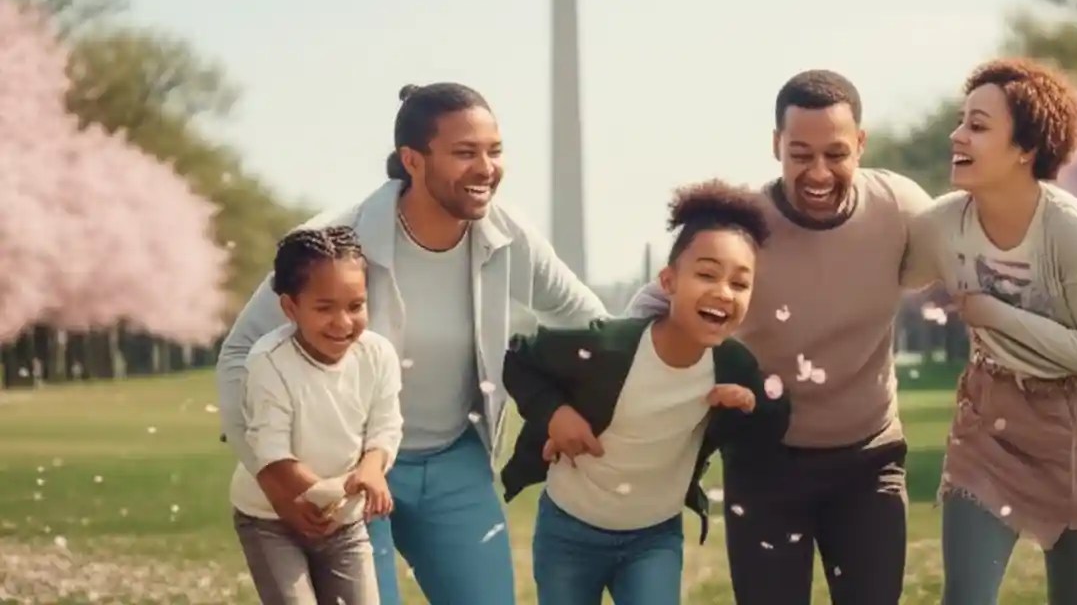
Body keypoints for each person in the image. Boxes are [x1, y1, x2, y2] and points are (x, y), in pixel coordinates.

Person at [216, 82, 609, 605]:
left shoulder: (508, 237)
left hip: (454, 460)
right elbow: (239, 353)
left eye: (494, 151)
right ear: (413, 160)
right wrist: (275, 477)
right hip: (350, 468)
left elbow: (592, 325)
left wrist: (571, 400)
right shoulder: (336, 242)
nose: (486, 168)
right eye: (465, 153)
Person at [626, 70, 934, 604]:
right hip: (765, 463)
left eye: (836, 154)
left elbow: (973, 257)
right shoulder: (744, 229)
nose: (819, 172)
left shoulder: (900, 206)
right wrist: (608, 371)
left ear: (861, 143)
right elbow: (654, 303)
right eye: (800, 154)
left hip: (869, 459)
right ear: (776, 146)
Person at [902, 58, 1077, 605]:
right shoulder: (943, 224)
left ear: (1026, 149)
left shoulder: (1069, 227)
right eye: (961, 121)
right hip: (991, 420)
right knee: (965, 597)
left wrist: (994, 313)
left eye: (978, 126)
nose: (956, 135)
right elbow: (881, 277)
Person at [503, 180, 791, 605]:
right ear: (669, 281)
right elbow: (518, 358)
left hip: (653, 539)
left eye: (740, 283)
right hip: (569, 531)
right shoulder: (609, 346)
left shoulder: (734, 366)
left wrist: (751, 405)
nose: (722, 292)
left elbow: (771, 426)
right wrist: (555, 414)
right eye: (706, 274)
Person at [229, 226, 403, 605]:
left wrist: (372, 469)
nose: (343, 323)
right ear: (291, 308)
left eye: (355, 306)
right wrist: (332, 491)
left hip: (343, 523)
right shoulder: (269, 361)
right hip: (270, 519)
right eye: (324, 308)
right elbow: (271, 450)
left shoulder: (378, 355)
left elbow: (385, 426)